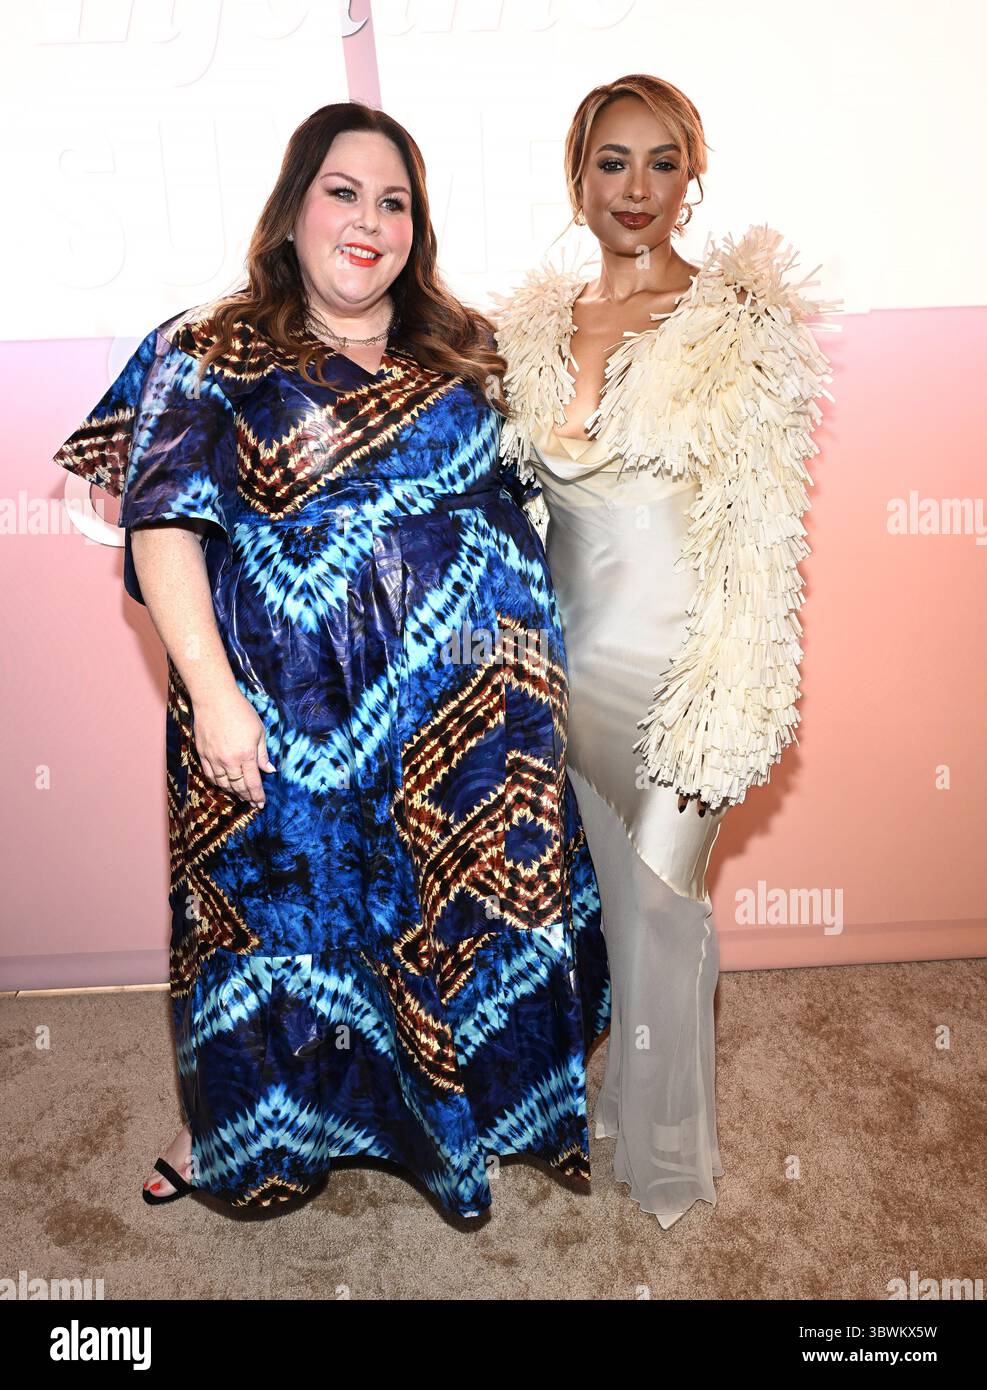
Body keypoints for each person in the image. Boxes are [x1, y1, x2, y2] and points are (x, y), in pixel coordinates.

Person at [52, 101, 610, 1219]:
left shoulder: (466, 346)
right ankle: (228, 1133)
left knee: (449, 925)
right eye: (344, 192)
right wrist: (213, 698)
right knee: (271, 937)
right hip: (286, 720)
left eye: (395, 200)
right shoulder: (211, 348)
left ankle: (466, 1117)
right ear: (294, 207)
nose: (371, 220)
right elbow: (162, 525)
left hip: (469, 725)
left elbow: (569, 470)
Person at [491, 74, 838, 1226]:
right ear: (578, 177)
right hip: (569, 672)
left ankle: (671, 1154)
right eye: (611, 162)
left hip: (690, 678)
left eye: (660, 162)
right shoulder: (532, 329)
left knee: (665, 901)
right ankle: (622, 1109)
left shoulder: (740, 323)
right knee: (611, 908)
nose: (634, 189)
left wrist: (737, 693)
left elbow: (764, 532)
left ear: (693, 175)